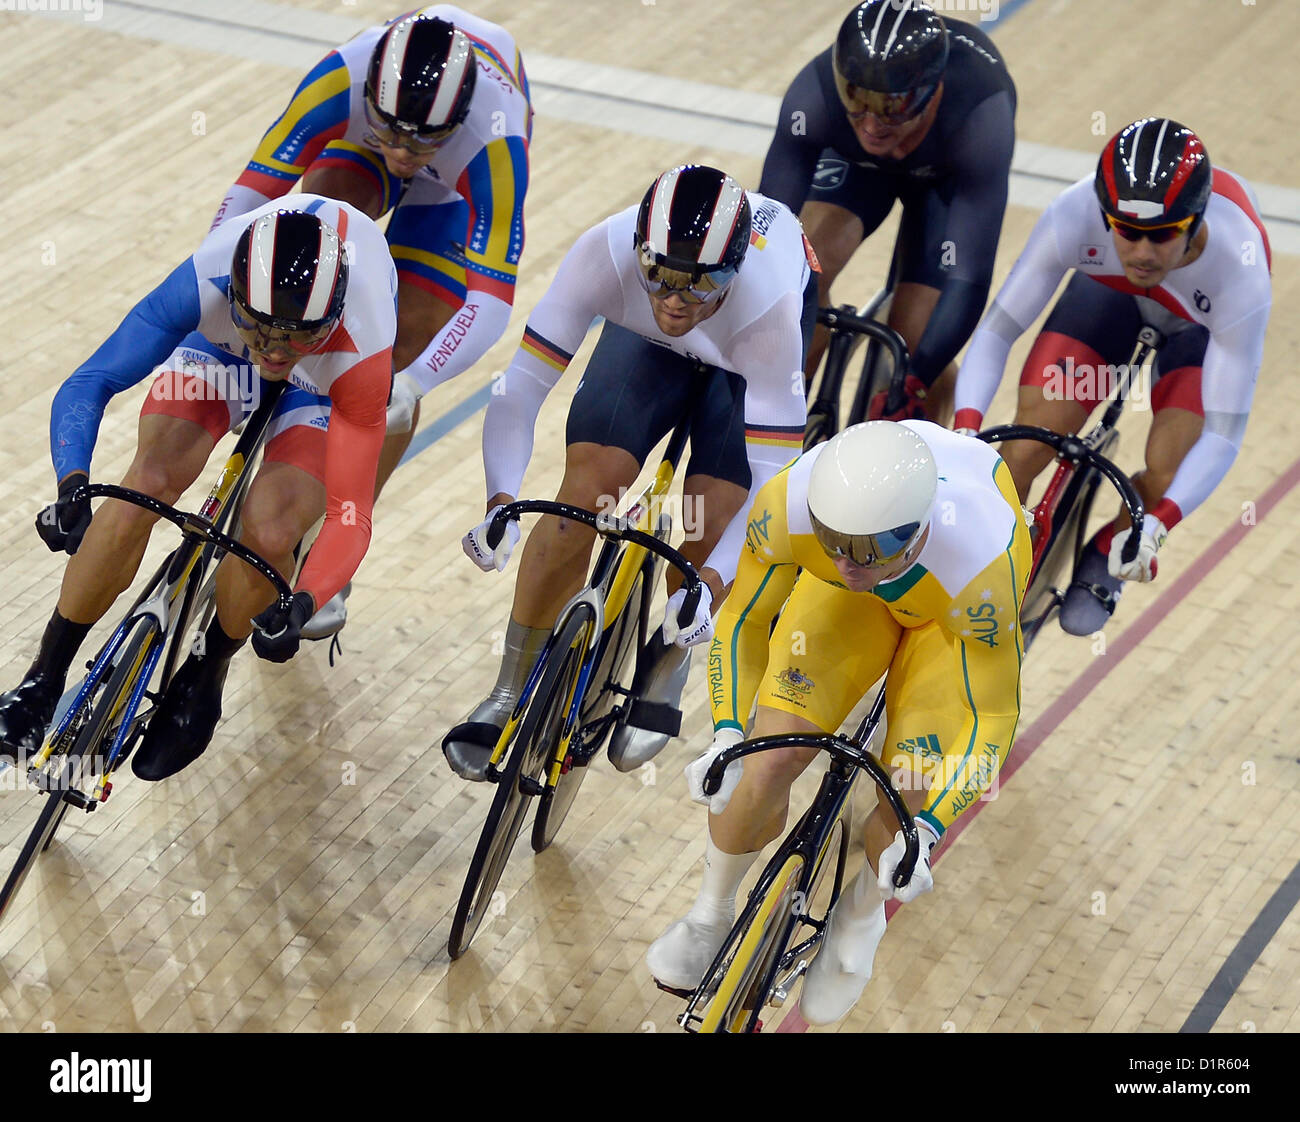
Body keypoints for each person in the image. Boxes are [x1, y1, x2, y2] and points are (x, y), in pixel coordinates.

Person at [645, 420, 1030, 1025]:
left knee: (904, 802)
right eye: (833, 541)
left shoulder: (983, 566)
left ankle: (859, 917)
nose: (850, 562)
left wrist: (928, 828)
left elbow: (993, 716)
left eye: (871, 549)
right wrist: (726, 734)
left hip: (945, 621)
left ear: (916, 531)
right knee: (766, 758)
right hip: (848, 607)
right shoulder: (790, 507)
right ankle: (709, 912)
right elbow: (743, 620)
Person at [442, 164, 819, 780]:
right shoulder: (606, 250)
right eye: (662, 277)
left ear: (734, 273)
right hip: (645, 342)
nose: (676, 300)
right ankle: (510, 689)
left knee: (709, 516)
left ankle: (668, 661)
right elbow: (520, 390)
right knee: (583, 495)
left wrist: (713, 585)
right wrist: (500, 502)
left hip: (740, 358)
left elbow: (775, 486)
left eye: (698, 286)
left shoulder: (767, 305)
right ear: (641, 250)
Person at [0, 199, 397, 781]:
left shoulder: (363, 344)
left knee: (272, 529)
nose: (275, 351)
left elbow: (350, 513)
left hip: (324, 381)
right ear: (234, 294)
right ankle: (44, 676)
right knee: (150, 480)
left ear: (332, 316)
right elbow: (92, 379)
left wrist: (303, 598)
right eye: (262, 328)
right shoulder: (205, 278)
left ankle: (205, 675)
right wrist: (72, 484)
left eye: (295, 336)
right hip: (222, 350)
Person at [212, 6, 532, 636]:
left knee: (396, 360)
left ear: (458, 119)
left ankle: (341, 530)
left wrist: (414, 383)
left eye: (421, 142)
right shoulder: (339, 77)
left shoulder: (498, 138)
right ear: (370, 97)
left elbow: (491, 300)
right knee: (312, 230)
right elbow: (253, 193)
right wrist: (222, 284)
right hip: (352, 151)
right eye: (391, 132)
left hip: (452, 193)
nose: (402, 153)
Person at [952, 118, 1272, 634]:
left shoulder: (1240, 270)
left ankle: (1111, 544)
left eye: (1163, 235)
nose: (1143, 253)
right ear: (1105, 215)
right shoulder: (1074, 214)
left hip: (1198, 328)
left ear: (1194, 221)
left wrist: (1157, 526)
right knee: (1026, 447)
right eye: (1127, 231)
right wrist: (967, 430)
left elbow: (1223, 432)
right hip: (1109, 302)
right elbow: (997, 331)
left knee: (1170, 467)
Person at [758, 0, 1015, 424]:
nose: (872, 122)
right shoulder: (815, 96)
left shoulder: (980, 117)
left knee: (915, 342)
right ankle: (779, 423)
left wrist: (914, 381)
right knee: (805, 271)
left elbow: (967, 278)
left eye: (892, 105)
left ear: (934, 92)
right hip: (856, 166)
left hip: (944, 179)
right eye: (856, 97)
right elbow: (769, 233)